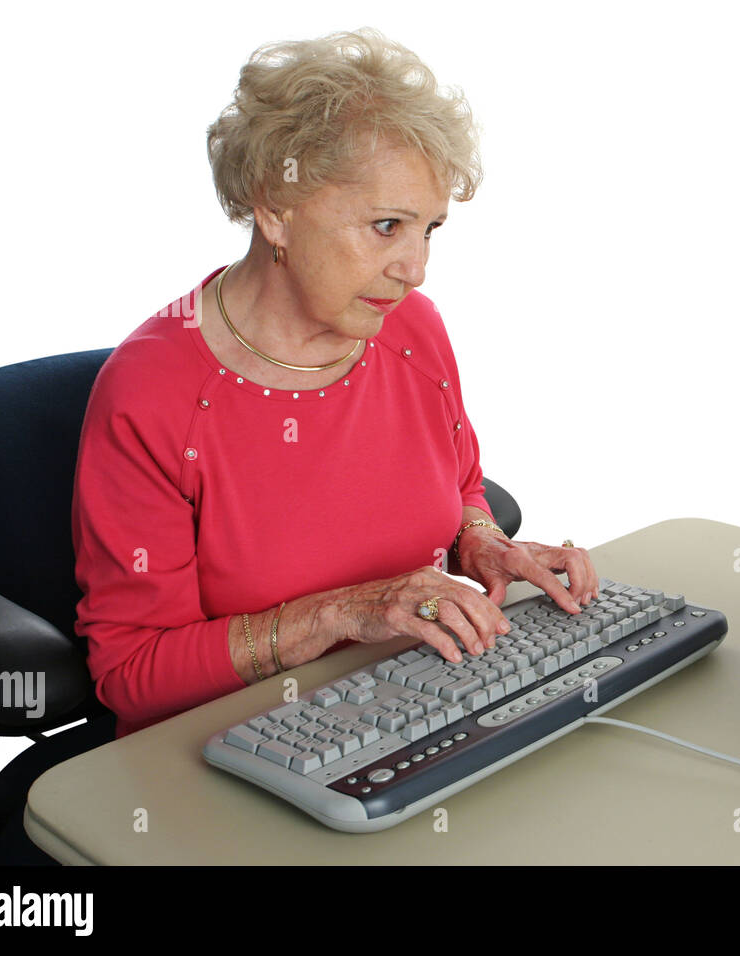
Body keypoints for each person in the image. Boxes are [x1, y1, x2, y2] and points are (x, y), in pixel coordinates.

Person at [71, 28, 599, 739]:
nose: (415, 268)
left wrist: (481, 543)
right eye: (387, 226)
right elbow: (133, 675)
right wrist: (342, 612)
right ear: (275, 210)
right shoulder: (151, 395)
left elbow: (464, 487)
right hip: (231, 752)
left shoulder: (412, 330)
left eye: (430, 230)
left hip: (414, 712)